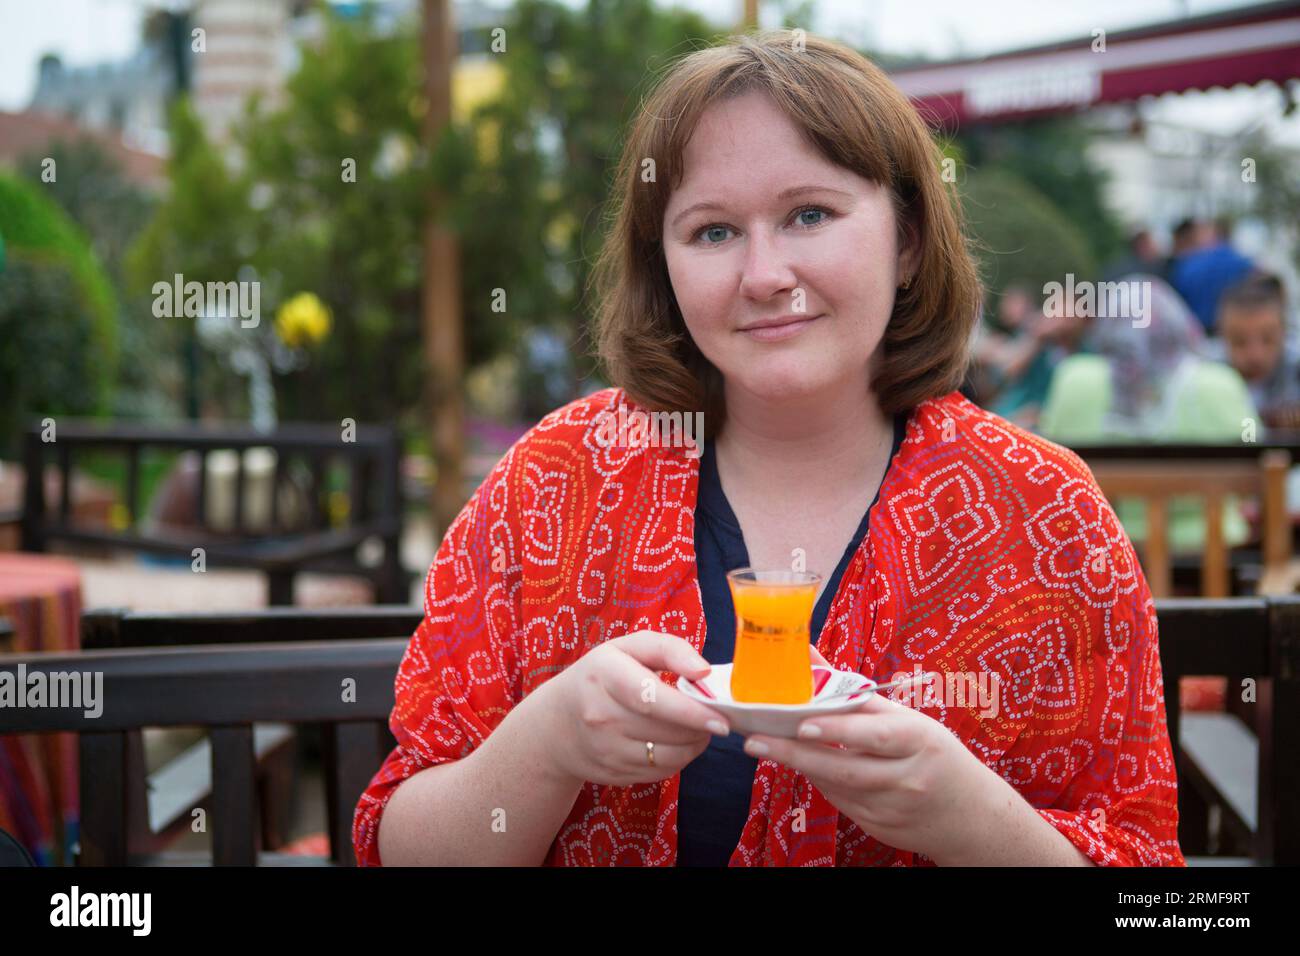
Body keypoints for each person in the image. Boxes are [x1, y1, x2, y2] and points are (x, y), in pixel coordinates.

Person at [354, 30, 1183, 867]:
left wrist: (971, 820)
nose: (763, 274)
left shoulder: (1044, 513)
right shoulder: (558, 481)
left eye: (810, 215)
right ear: (665, 271)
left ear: (909, 240)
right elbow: (401, 846)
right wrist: (548, 743)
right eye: (712, 232)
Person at [1038, 274, 1257, 553]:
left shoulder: (1073, 381)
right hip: (1214, 560)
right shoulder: (1220, 384)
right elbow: (1256, 456)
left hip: (1097, 558)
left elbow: (1048, 460)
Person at [1216, 272, 1300, 428]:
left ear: (1284, 332)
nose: (1255, 355)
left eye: (1268, 339)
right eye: (1239, 342)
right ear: (1221, 335)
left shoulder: (1296, 370)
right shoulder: (1207, 379)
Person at [1168, 218, 1255, 334]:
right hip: (1231, 334)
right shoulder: (1239, 261)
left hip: (1197, 336)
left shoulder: (1187, 265)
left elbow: (1177, 304)